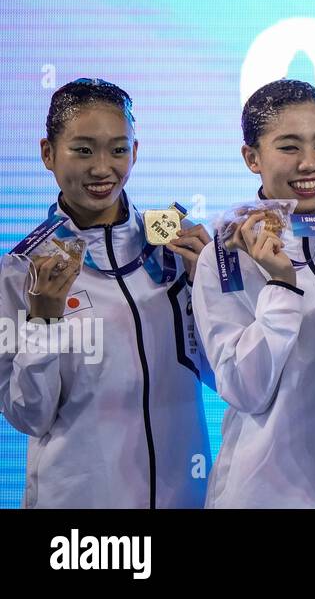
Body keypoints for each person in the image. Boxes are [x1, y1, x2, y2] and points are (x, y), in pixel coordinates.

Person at [0, 78, 211, 507]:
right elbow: (27, 416)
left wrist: (209, 289)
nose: (102, 168)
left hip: (185, 496)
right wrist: (44, 322)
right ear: (47, 153)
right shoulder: (20, 273)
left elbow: (225, 377)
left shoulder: (175, 247)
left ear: (135, 151)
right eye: (83, 150)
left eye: (118, 149)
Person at [192, 79, 315, 508]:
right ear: (251, 157)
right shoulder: (226, 256)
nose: (309, 163)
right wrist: (282, 285)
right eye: (289, 147)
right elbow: (245, 389)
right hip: (265, 494)